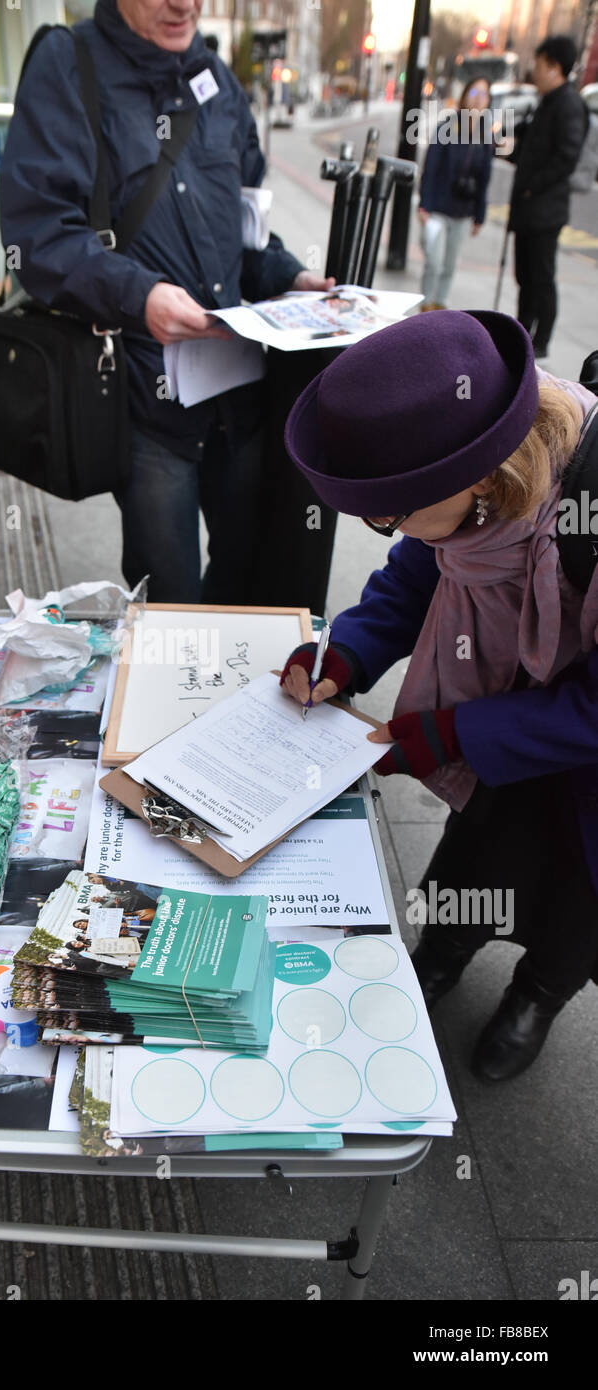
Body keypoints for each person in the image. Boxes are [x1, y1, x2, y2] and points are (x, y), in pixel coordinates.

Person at [281, 309, 598, 1083]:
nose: (385, 530)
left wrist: (451, 732)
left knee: (576, 893)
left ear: (486, 478)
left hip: (584, 753)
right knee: (480, 849)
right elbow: (424, 568)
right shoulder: (477, 470)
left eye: (390, 513)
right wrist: (348, 652)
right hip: (506, 709)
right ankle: (446, 949)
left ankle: (538, 994)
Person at [0, 0, 332, 603]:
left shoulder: (220, 81)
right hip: (148, 403)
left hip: (242, 394)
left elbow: (245, 239)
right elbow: (37, 236)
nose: (184, 5)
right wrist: (139, 294)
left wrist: (289, 275)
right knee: (172, 606)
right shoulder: (67, 63)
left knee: (254, 571)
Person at [507, 35, 588, 359]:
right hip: (529, 209)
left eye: (539, 65)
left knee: (541, 276)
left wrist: (532, 186)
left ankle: (541, 339)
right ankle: (523, 329)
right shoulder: (546, 102)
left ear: (555, 68)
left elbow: (566, 157)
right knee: (525, 275)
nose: (535, 72)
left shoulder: (568, 105)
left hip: (545, 211)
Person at [417, 76, 495, 310]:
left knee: (450, 265)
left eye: (484, 94)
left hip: (463, 211)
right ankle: (426, 306)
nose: (479, 99)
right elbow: (430, 167)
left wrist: (479, 216)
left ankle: (441, 306)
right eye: (474, 93)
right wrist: (424, 205)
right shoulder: (447, 127)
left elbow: (484, 179)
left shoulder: (485, 135)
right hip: (438, 209)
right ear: (464, 98)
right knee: (434, 261)